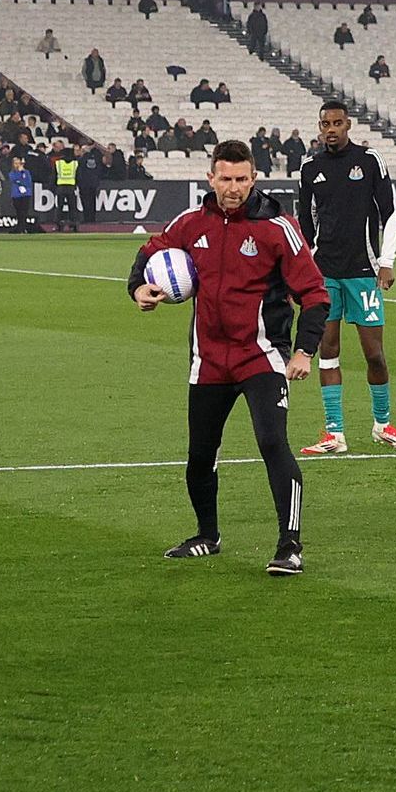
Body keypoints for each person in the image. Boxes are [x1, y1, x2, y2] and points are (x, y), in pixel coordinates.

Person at [130, 141, 324, 575]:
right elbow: (148, 254)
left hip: (262, 357)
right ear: (211, 178)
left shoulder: (278, 227)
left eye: (241, 179)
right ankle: (207, 536)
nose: (233, 188)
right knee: (200, 454)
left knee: (272, 443)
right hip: (209, 360)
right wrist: (138, 288)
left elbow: (314, 293)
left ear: (254, 179)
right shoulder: (190, 223)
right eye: (225, 179)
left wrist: (304, 350)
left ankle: (290, 545)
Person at [296, 101, 396, 451]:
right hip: (324, 272)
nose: (331, 129)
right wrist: (305, 268)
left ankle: (382, 424)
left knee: (374, 353)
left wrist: (387, 260)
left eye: (337, 123)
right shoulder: (310, 168)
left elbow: (389, 213)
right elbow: (305, 223)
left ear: (348, 125)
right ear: (319, 127)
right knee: (328, 349)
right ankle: (335, 433)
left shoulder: (369, 160)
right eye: (325, 124)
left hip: (364, 270)